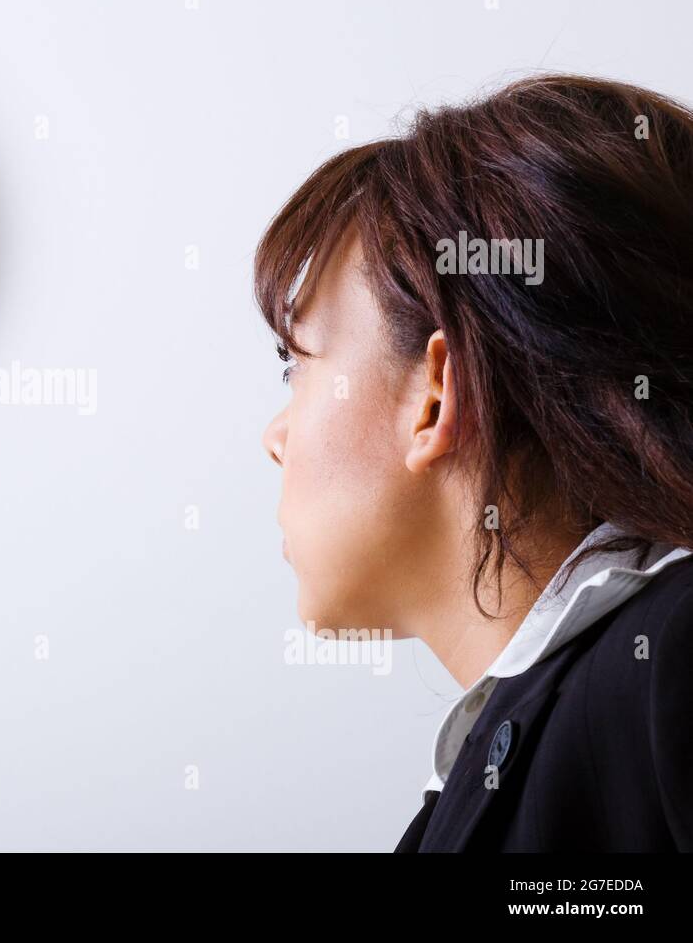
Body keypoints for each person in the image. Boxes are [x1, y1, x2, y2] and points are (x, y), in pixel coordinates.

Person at [254, 74, 693, 851]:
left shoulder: (672, 659)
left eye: (299, 364)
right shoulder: (502, 760)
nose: (275, 436)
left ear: (433, 394)